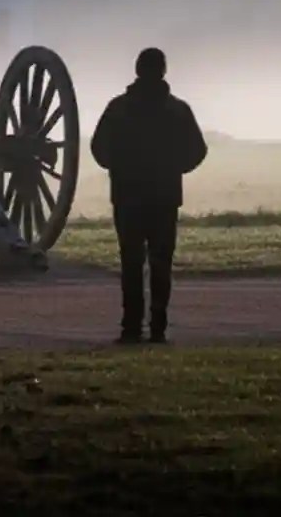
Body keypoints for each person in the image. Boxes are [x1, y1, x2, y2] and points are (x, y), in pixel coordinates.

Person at [90, 48, 207, 344]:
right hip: (164, 196)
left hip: (127, 196)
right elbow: (197, 150)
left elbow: (98, 148)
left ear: (137, 70)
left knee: (130, 262)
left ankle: (131, 327)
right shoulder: (178, 110)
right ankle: (158, 327)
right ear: (163, 71)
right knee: (161, 263)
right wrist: (174, 169)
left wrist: (117, 167)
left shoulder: (118, 108)